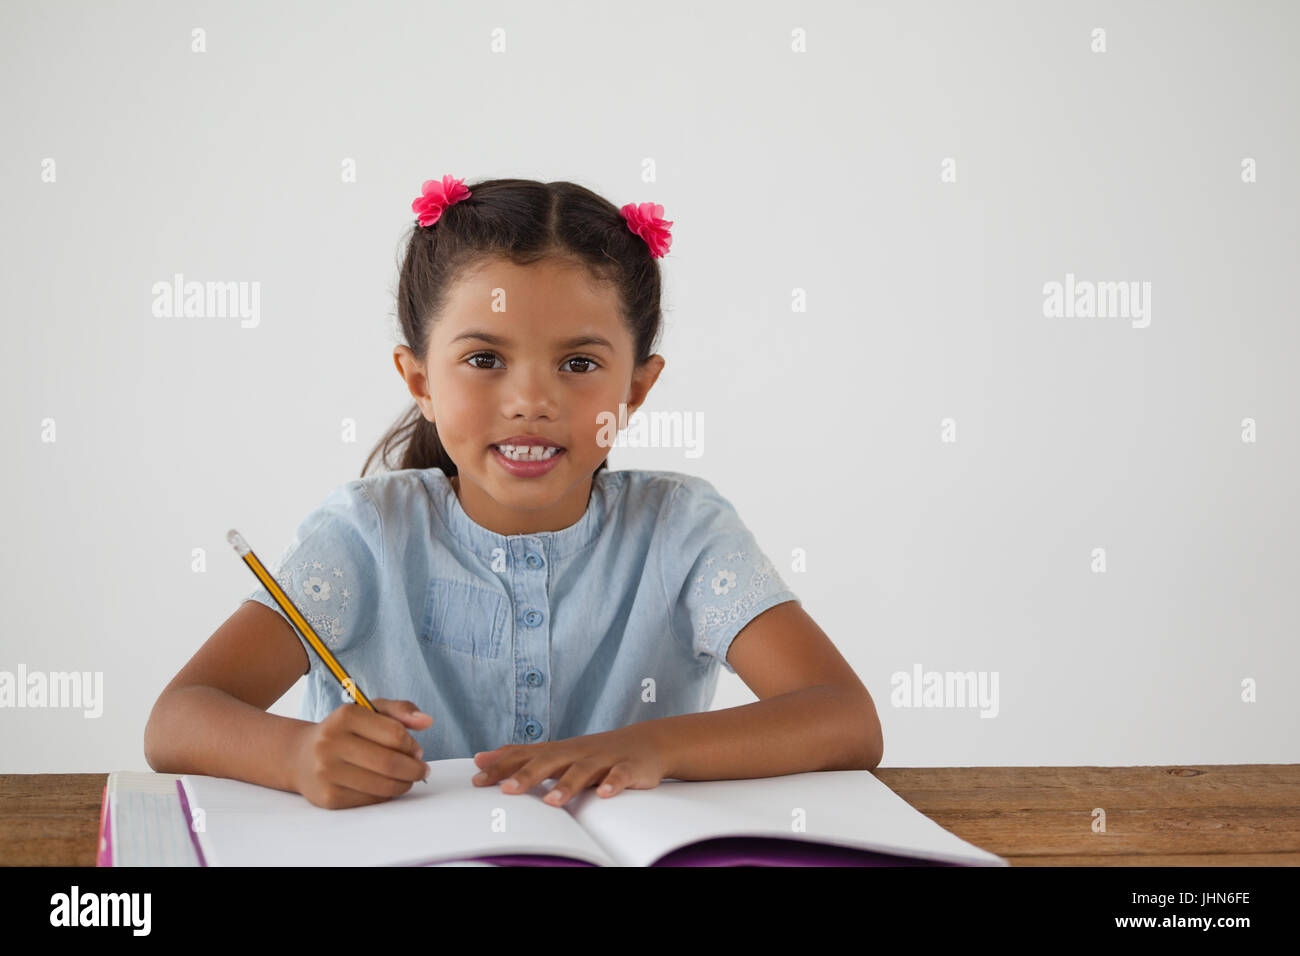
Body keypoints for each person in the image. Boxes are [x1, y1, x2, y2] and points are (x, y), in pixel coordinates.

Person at [144, 176, 884, 810]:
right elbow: (178, 719)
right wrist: (299, 757)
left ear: (636, 389)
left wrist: (650, 744)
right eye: (485, 358)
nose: (531, 399)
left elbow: (844, 719)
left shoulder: (682, 531)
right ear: (421, 380)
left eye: (579, 362)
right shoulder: (366, 535)